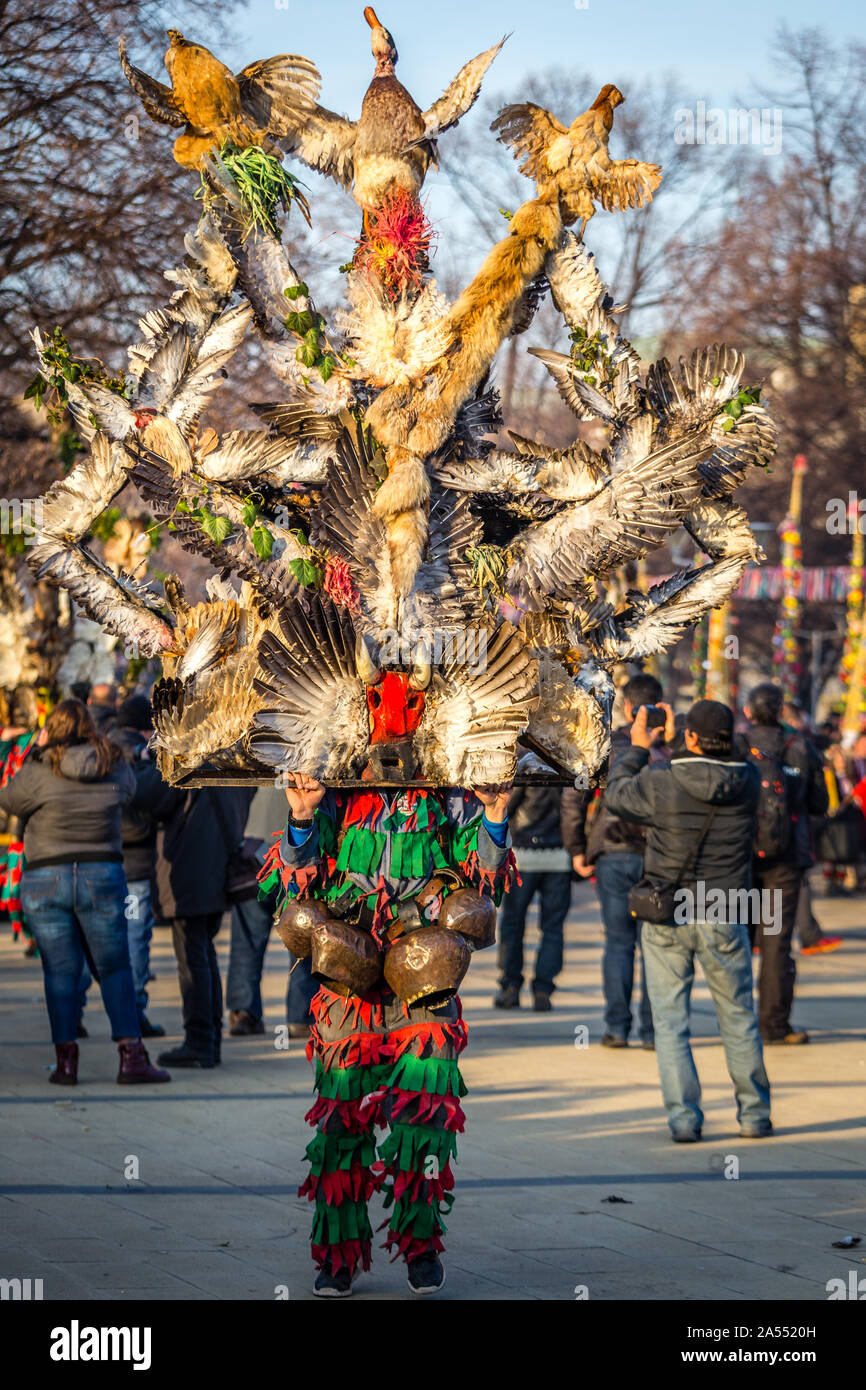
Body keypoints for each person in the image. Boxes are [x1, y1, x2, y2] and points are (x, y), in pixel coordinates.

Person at [266, 689, 514, 1297]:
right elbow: (294, 874)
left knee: (425, 1121)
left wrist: (496, 818)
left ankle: (420, 1247)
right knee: (341, 1120)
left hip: (423, 975)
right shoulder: (332, 792)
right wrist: (301, 816)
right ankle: (338, 1256)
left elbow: (486, 879)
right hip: (348, 977)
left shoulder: (450, 797)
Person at [605, 699, 771, 1143]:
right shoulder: (749, 779)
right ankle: (754, 1114)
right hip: (726, 908)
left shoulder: (661, 778)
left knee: (671, 1020)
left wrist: (639, 746)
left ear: (690, 736)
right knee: (738, 1016)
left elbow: (616, 797)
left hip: (668, 909)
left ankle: (684, 1118)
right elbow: (717, 762)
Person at [0, 699, 170, 1086]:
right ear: (89, 726)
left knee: (59, 971)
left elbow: (8, 799)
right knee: (114, 967)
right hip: (102, 874)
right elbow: (129, 794)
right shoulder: (111, 762)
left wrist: (36, 751)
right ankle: (131, 1057)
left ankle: (66, 1063)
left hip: (46, 878)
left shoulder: (40, 769)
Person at [562, 673, 664, 1049]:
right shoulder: (669, 749)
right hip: (658, 858)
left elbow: (573, 797)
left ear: (626, 705)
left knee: (619, 944)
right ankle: (653, 1032)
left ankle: (616, 1029)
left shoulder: (604, 745)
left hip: (613, 853)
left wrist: (577, 849)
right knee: (654, 946)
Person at [744, 682, 829, 1045]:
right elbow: (819, 803)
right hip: (786, 861)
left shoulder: (738, 746)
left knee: (739, 941)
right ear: (781, 711)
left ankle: (738, 1023)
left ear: (748, 711)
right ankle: (774, 1025)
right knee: (777, 942)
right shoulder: (800, 747)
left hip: (743, 859)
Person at [156, 785, 255, 1069]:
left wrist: (143, 762)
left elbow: (153, 796)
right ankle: (209, 1041)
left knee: (193, 958)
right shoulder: (232, 759)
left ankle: (200, 1042)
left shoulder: (192, 758)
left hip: (192, 868)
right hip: (217, 865)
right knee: (203, 955)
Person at [110, 694, 175, 1038]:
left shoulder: (99, 750)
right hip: (134, 867)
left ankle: (76, 1014)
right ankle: (134, 1012)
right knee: (135, 938)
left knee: (93, 939)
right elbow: (155, 801)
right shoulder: (142, 755)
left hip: (101, 866)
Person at [493, 776, 571, 1011]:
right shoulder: (567, 766)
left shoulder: (525, 767)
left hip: (523, 857)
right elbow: (573, 809)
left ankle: (510, 987)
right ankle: (543, 990)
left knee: (513, 923)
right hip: (558, 858)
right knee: (553, 927)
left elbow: (505, 806)